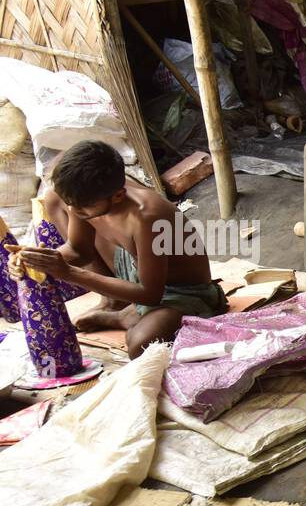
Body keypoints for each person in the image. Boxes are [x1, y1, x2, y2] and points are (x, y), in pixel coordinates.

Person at [10, 141, 226, 359]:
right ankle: (119, 304)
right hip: (132, 266)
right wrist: (34, 260)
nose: (74, 211)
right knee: (53, 197)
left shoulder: (147, 216)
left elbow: (150, 294)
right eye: (73, 204)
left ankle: (125, 316)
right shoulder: (84, 197)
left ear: (118, 196)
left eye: (82, 206)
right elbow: (78, 250)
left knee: (139, 345)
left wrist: (68, 272)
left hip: (179, 291)